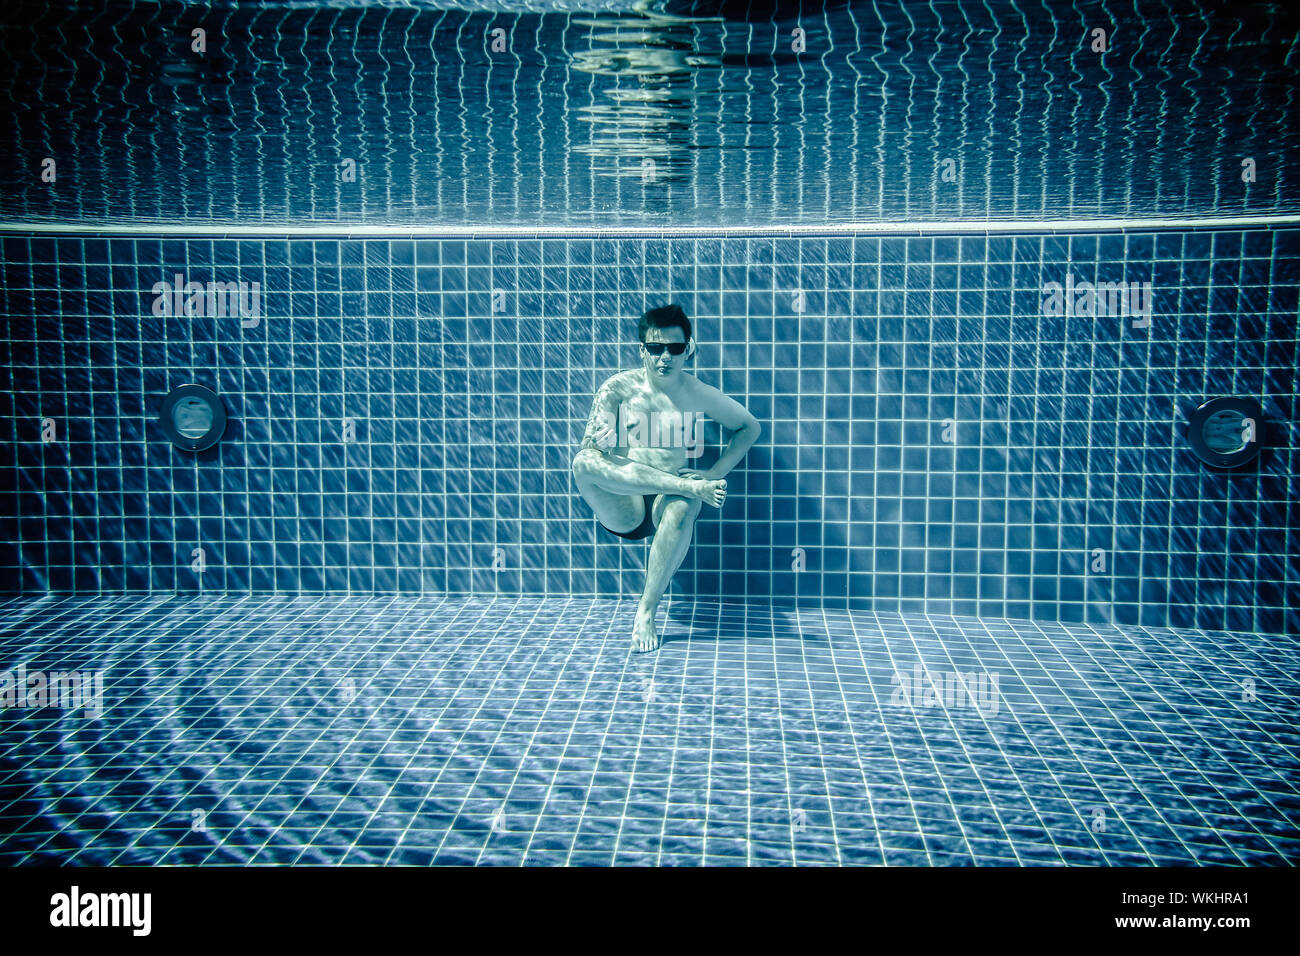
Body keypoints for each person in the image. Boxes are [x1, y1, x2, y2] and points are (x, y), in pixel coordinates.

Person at [571, 304, 761, 652]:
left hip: (664, 504)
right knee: (582, 462)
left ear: (687, 348)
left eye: (674, 348)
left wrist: (714, 473)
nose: (664, 357)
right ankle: (690, 488)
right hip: (624, 503)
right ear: (642, 349)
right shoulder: (617, 389)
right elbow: (591, 447)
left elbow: (749, 427)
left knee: (682, 506)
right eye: (656, 348)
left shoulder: (695, 392)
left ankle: (646, 611)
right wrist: (603, 441)